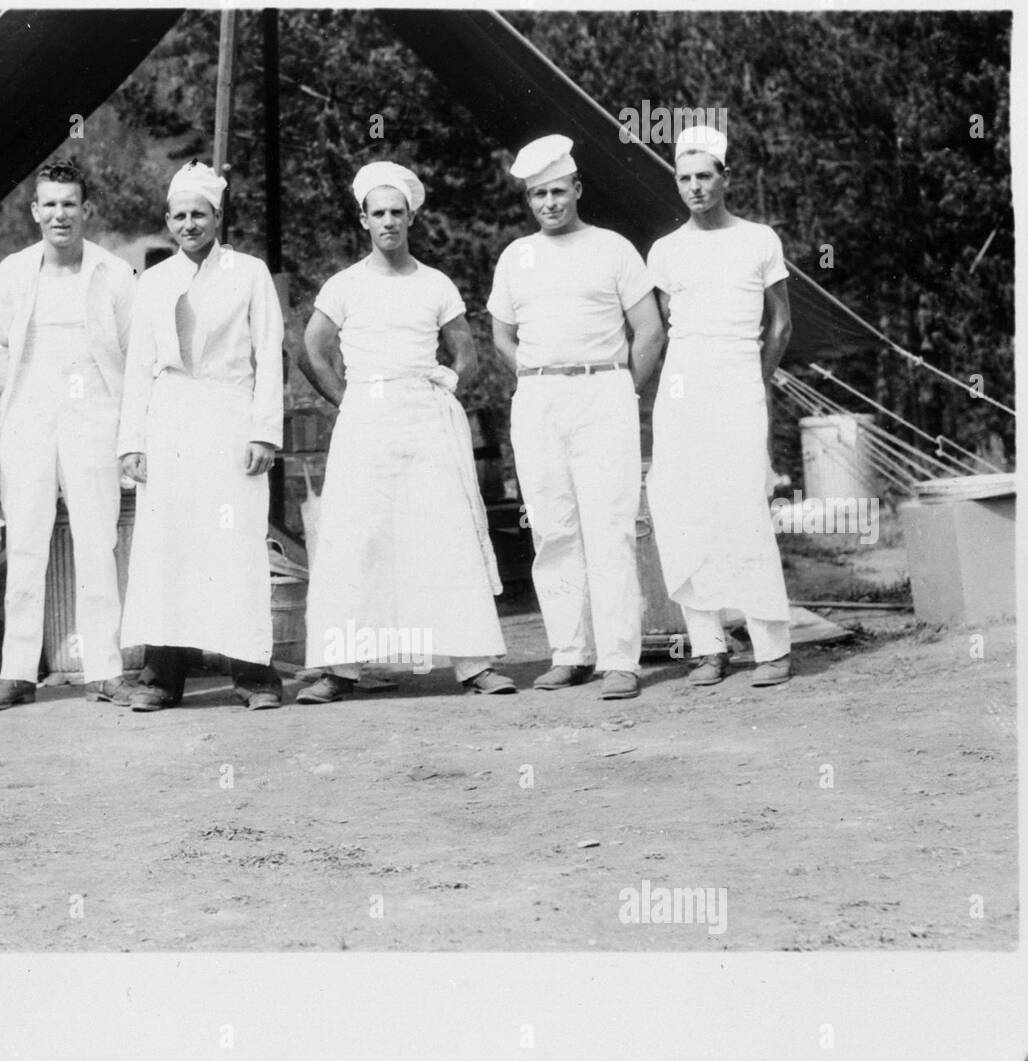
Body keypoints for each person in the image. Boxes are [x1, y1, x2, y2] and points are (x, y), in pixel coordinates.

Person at [297, 160, 512, 704]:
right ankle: (339, 669)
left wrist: (444, 390)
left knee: (445, 533)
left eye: (397, 212)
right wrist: (349, 401)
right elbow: (311, 351)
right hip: (366, 418)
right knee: (355, 537)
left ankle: (475, 664)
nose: (388, 222)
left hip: (425, 416)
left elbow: (466, 351)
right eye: (378, 213)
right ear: (363, 219)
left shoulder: (434, 282)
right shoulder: (344, 285)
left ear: (411, 216)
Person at [489, 134, 664, 699]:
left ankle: (620, 660)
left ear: (577, 189)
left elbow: (650, 331)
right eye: (538, 195)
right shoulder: (517, 255)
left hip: (603, 394)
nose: (549, 204)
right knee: (553, 530)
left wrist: (619, 390)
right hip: (539, 400)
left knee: (609, 530)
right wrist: (537, 375)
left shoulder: (613, 248)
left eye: (558, 191)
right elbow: (501, 333)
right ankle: (570, 653)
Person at [116, 161, 285, 711]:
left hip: (229, 419)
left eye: (200, 214)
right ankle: (163, 678)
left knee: (234, 547)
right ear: (168, 220)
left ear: (218, 217)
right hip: (170, 425)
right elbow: (139, 366)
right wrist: (133, 442)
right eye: (180, 215)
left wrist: (264, 432)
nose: (190, 224)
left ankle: (254, 677)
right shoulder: (155, 281)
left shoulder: (249, 273)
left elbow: (269, 357)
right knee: (168, 549)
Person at [0, 160, 135, 710]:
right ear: (35, 211)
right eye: (51, 204)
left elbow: (135, 354)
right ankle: (17, 673)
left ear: (86, 210)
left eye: (71, 203)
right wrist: (24, 393)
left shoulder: (115, 274)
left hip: (93, 421)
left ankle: (106, 670)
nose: (60, 214)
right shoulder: (13, 273)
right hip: (30, 422)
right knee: (24, 544)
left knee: (98, 543)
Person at [646, 124, 794, 688]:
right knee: (681, 507)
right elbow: (661, 329)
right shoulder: (665, 250)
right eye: (685, 179)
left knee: (743, 508)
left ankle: (771, 647)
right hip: (684, 383)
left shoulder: (759, 239)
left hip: (740, 376)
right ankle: (708, 647)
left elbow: (780, 323)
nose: (695, 188)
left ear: (725, 178)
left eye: (705, 176)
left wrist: (751, 381)